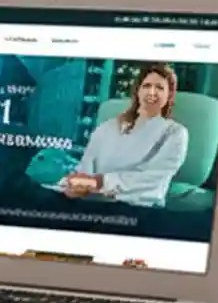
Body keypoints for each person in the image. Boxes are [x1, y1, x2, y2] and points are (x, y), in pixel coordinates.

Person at [61, 63, 189, 208]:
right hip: (90, 203)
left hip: (138, 209)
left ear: (169, 95)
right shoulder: (107, 128)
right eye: (146, 86)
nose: (151, 92)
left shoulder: (175, 133)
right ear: (138, 91)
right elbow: (85, 168)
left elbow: (153, 179)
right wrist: (75, 186)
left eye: (159, 88)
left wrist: (101, 182)